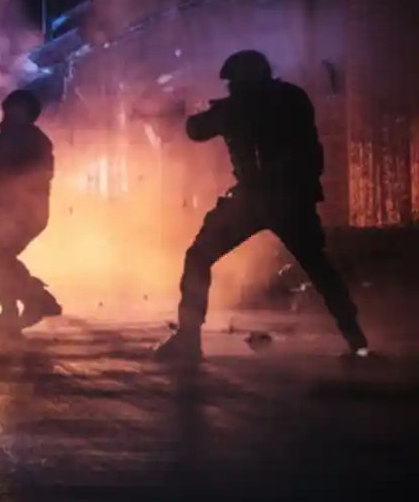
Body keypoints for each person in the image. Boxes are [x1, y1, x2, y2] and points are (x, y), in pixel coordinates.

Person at [156, 50, 369, 361]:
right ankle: (356, 340)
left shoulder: (239, 108)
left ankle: (188, 336)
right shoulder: (292, 98)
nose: (229, 88)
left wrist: (190, 113)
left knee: (199, 257)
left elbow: (196, 130)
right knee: (319, 268)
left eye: (233, 83)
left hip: (255, 199)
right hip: (291, 197)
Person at [0, 90, 62, 334]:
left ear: (27, 114)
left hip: (25, 212)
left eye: (13, 111)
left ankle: (28, 303)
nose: (7, 115)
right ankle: (29, 302)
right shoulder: (13, 139)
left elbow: (40, 174)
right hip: (15, 211)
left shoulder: (31, 141)